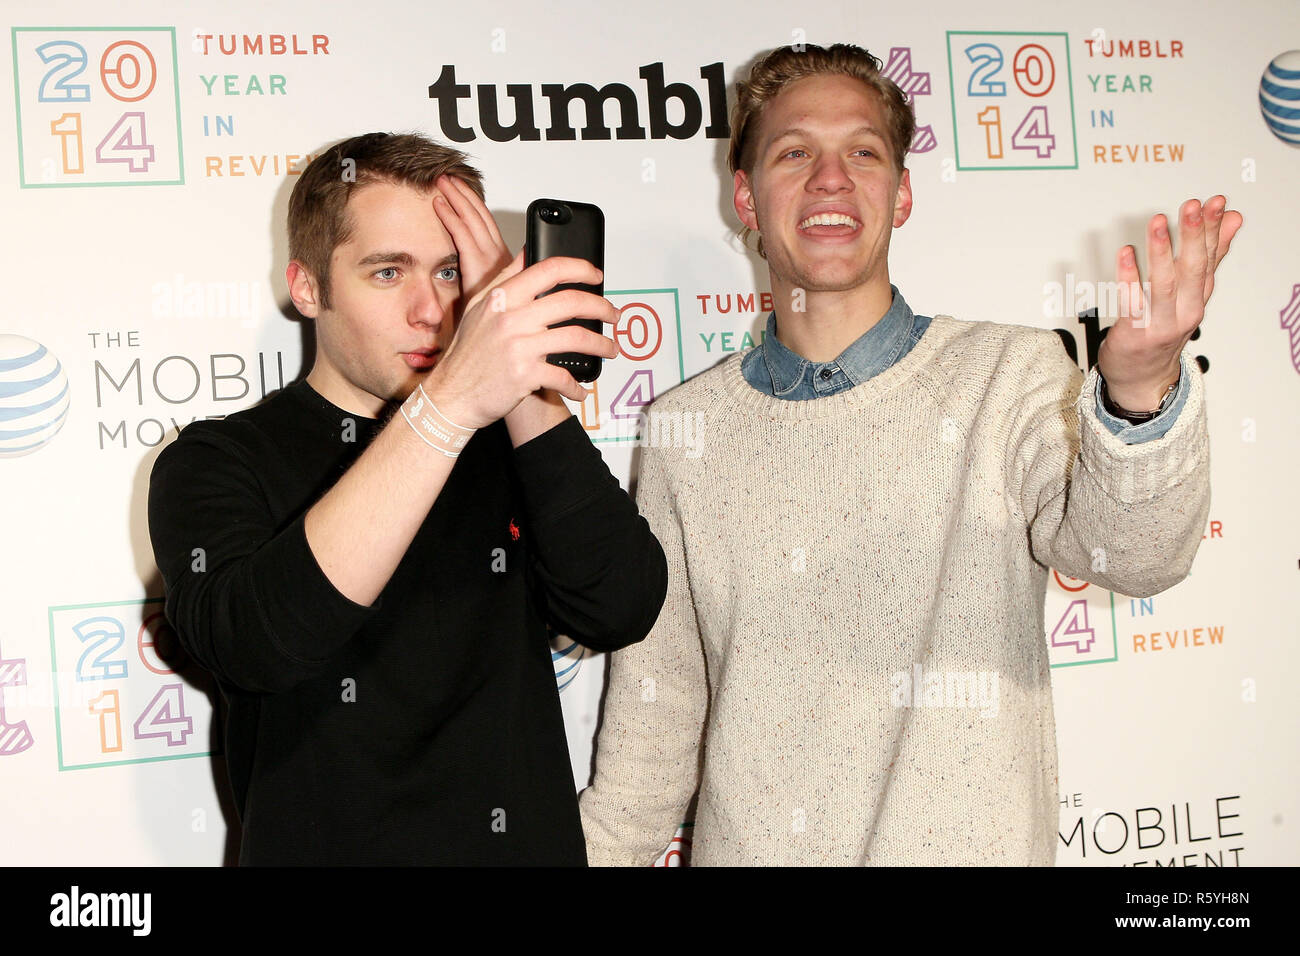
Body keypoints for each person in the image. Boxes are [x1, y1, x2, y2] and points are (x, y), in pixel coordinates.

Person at [578, 44, 1241, 865]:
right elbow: (653, 733)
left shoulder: (1011, 377)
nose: (831, 178)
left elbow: (1134, 556)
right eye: (795, 153)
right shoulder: (687, 431)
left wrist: (1140, 394)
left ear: (902, 193)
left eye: (863, 151)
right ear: (745, 198)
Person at [148, 132, 667, 865]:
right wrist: (453, 402)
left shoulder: (508, 439)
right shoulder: (216, 461)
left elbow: (622, 604)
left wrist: (522, 386)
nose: (431, 309)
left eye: (451, 273)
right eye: (388, 272)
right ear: (307, 287)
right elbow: (258, 645)